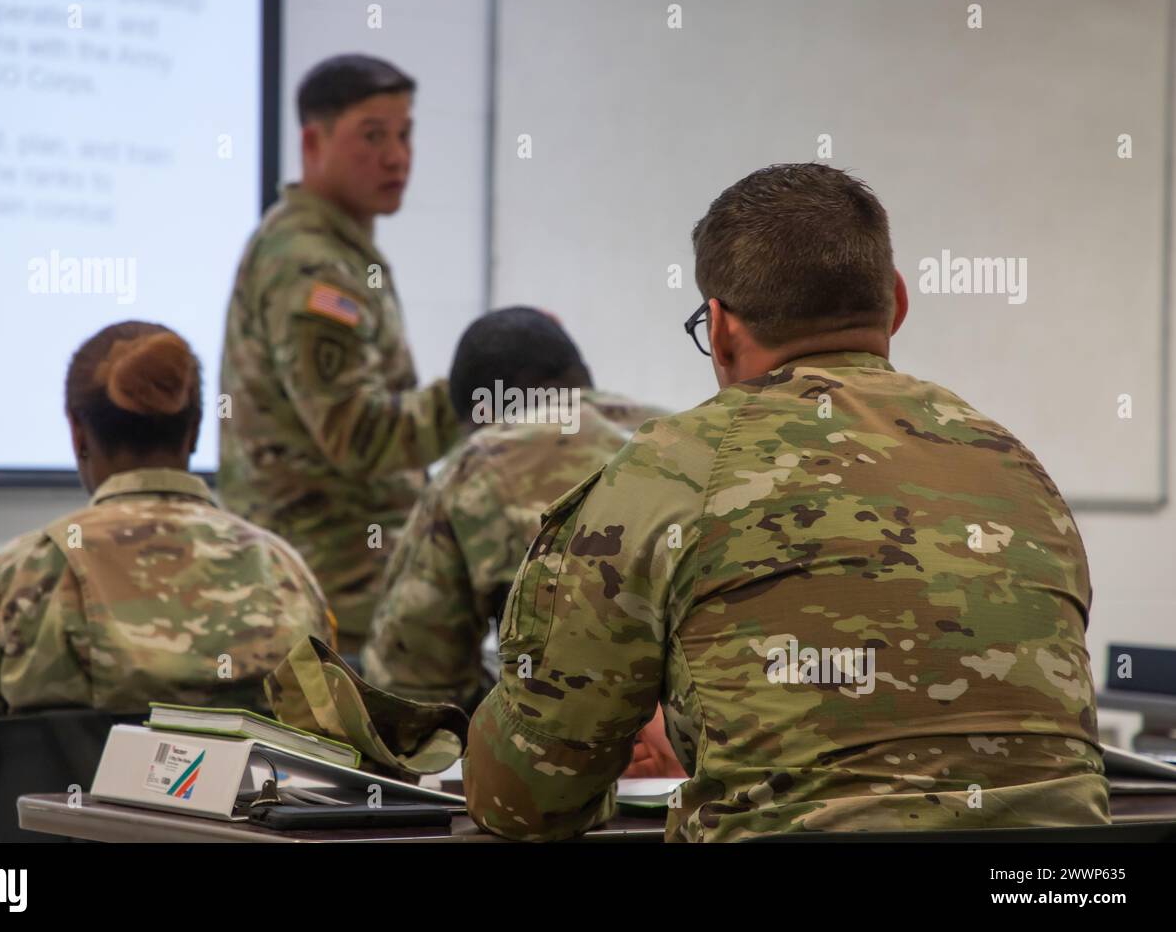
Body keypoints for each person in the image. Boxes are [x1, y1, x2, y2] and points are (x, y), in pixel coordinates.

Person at [463, 163, 1108, 842]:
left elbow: (524, 797)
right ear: (895, 301)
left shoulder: (674, 470)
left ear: (719, 329)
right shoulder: (1015, 467)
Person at [0, 322, 334, 827]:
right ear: (195, 430)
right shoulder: (285, 573)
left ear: (77, 433)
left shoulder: (18, 576)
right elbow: (324, 772)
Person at [219, 54, 462, 654]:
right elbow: (356, 435)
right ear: (312, 141)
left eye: (405, 135)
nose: (396, 156)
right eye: (372, 136)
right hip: (330, 599)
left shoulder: (335, 250)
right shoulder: (313, 264)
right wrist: (480, 391)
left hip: (337, 590)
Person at [361, 308, 662, 712]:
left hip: (588, 746)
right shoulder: (675, 426)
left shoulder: (481, 461)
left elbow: (411, 678)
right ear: (582, 373)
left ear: (477, 416)